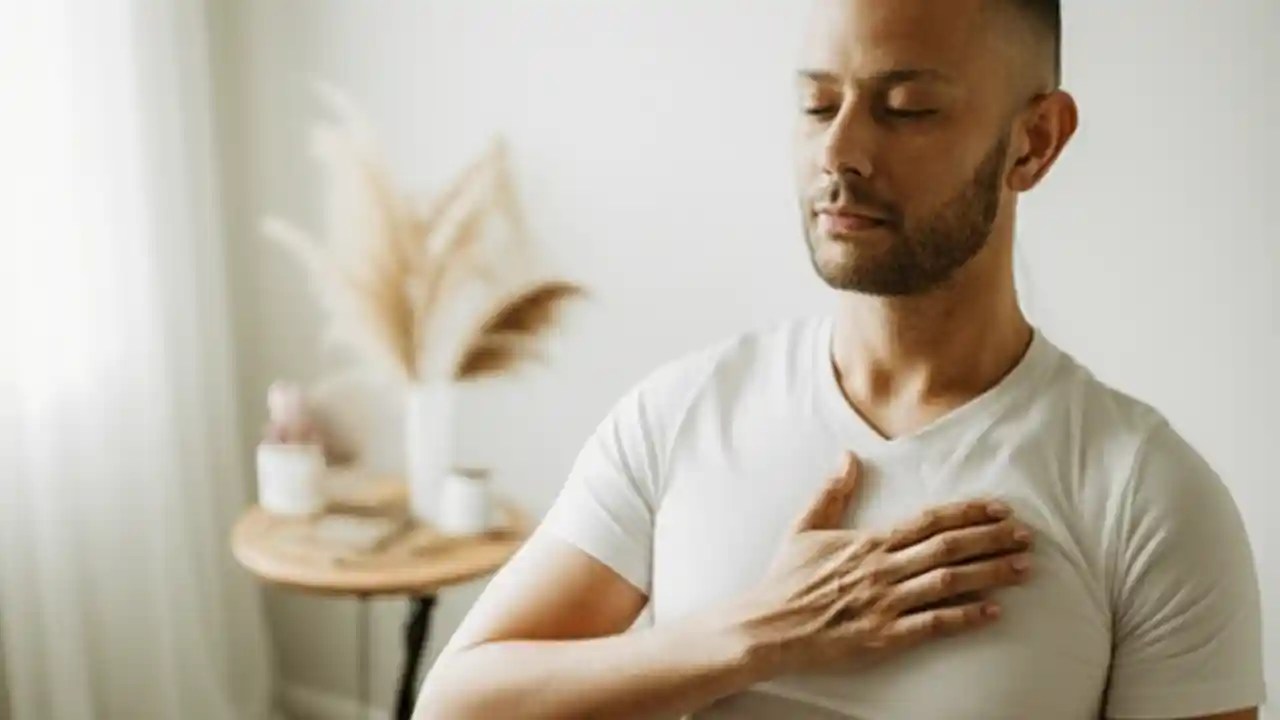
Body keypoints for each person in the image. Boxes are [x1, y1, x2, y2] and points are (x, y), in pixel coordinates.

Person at [415, 0, 1265, 717]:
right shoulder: (684, 413)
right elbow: (456, 703)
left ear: (1034, 142)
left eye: (907, 108)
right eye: (819, 106)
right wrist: (751, 635)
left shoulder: (1147, 497)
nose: (840, 152)